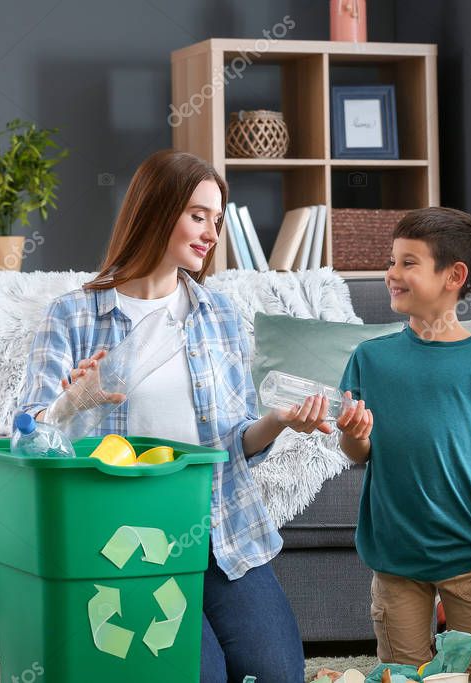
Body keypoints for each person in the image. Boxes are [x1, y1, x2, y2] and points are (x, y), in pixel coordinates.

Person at [19, 149, 329, 683]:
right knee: (200, 675)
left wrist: (276, 420)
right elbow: (26, 442)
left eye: (216, 218)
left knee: (279, 675)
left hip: (219, 529)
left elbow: (233, 443)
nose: (210, 232)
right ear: (156, 211)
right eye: (197, 215)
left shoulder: (220, 315)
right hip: (127, 539)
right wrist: (76, 401)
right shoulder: (71, 315)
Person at [334, 207, 471, 679]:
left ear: (454, 276)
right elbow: (359, 454)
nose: (391, 274)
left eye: (408, 262)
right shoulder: (369, 359)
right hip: (396, 555)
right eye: (391, 261)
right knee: (403, 672)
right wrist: (352, 435)